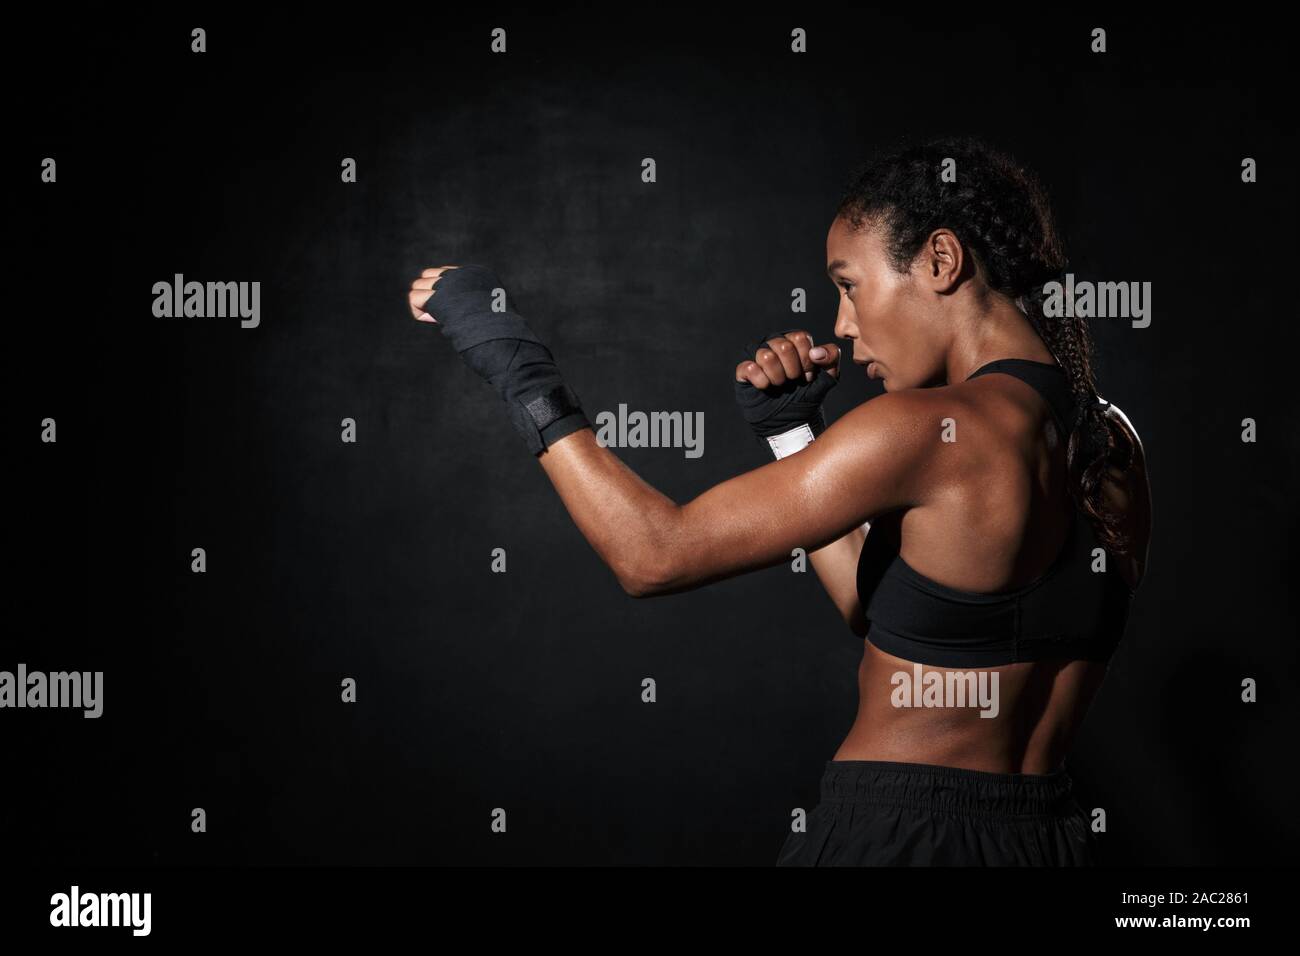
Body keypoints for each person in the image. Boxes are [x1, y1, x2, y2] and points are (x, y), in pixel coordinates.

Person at [407, 136, 1152, 866]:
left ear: (940, 260)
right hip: (1050, 839)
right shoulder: (1115, 443)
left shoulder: (928, 430)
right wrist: (795, 434)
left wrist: (520, 371)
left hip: (895, 835)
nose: (841, 324)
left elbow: (651, 556)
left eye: (850, 285)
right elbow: (892, 614)